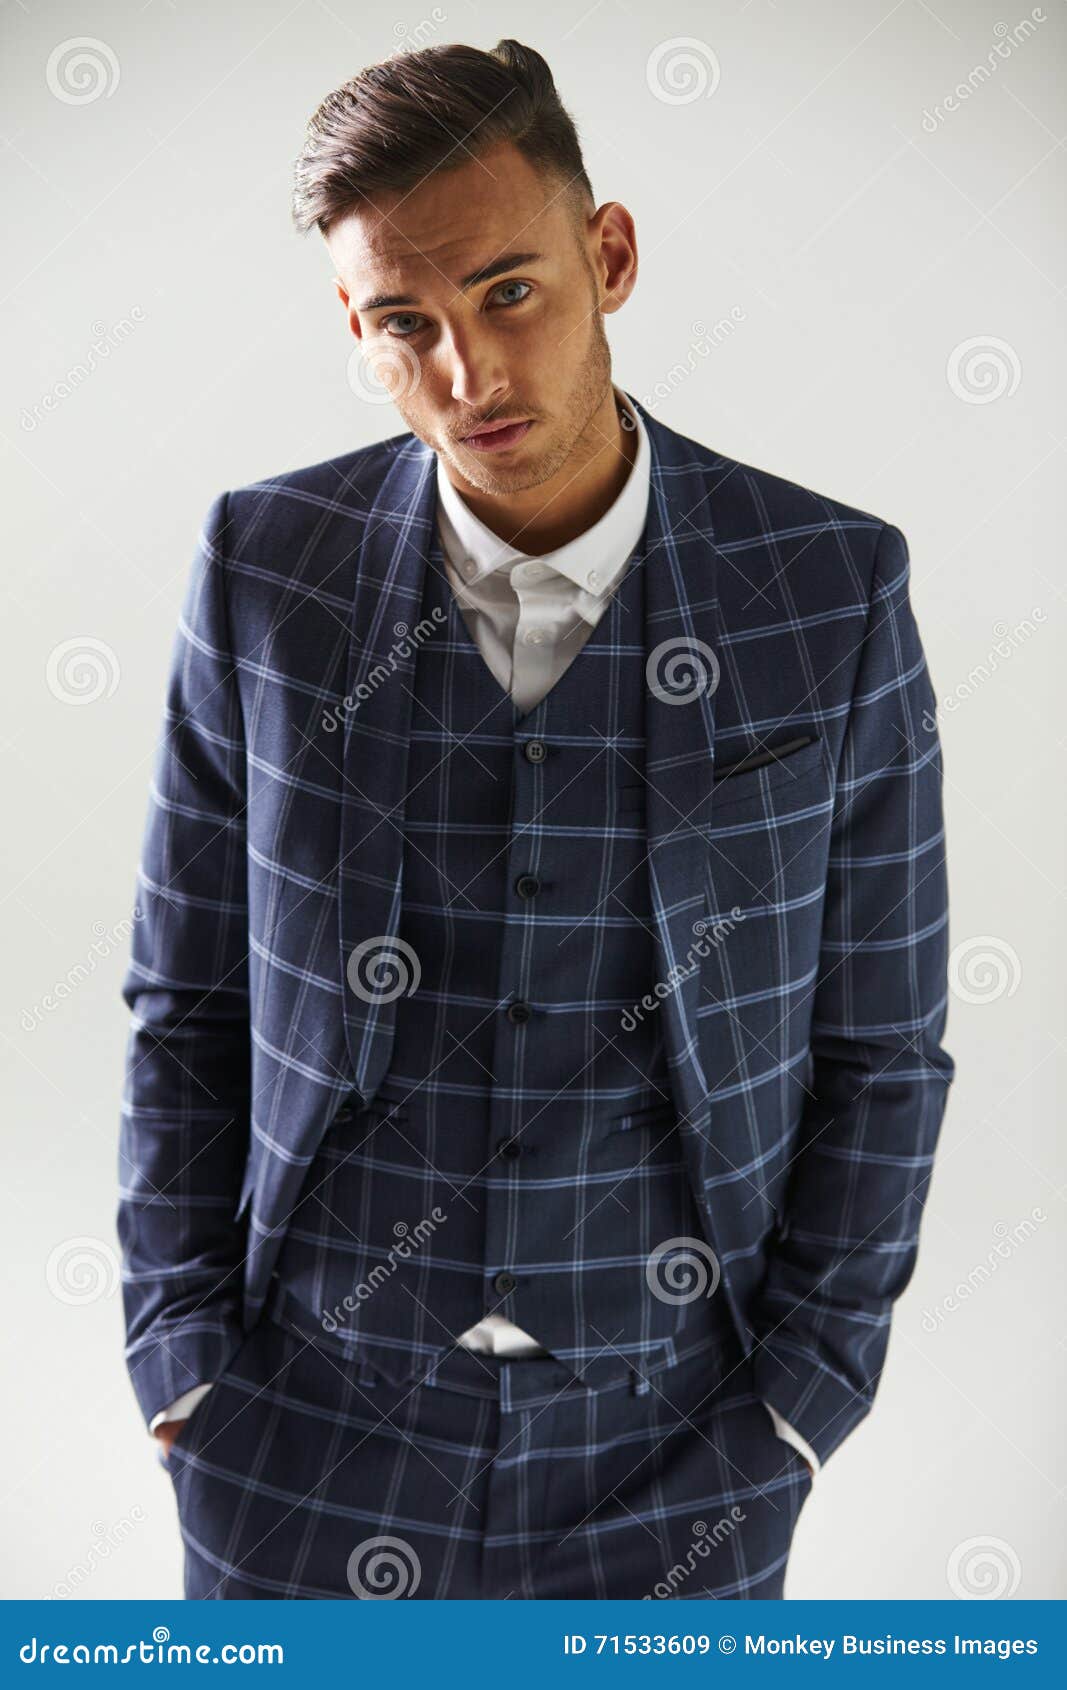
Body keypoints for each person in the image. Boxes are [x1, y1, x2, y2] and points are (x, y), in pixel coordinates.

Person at [117, 38, 954, 1600]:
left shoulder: (826, 591)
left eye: (510, 292)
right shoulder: (264, 570)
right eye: (402, 324)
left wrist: (799, 1411)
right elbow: (188, 1005)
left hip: (678, 1452)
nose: (466, 376)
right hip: (297, 1435)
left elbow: (885, 1051)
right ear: (353, 326)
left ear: (609, 255)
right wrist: (185, 1375)